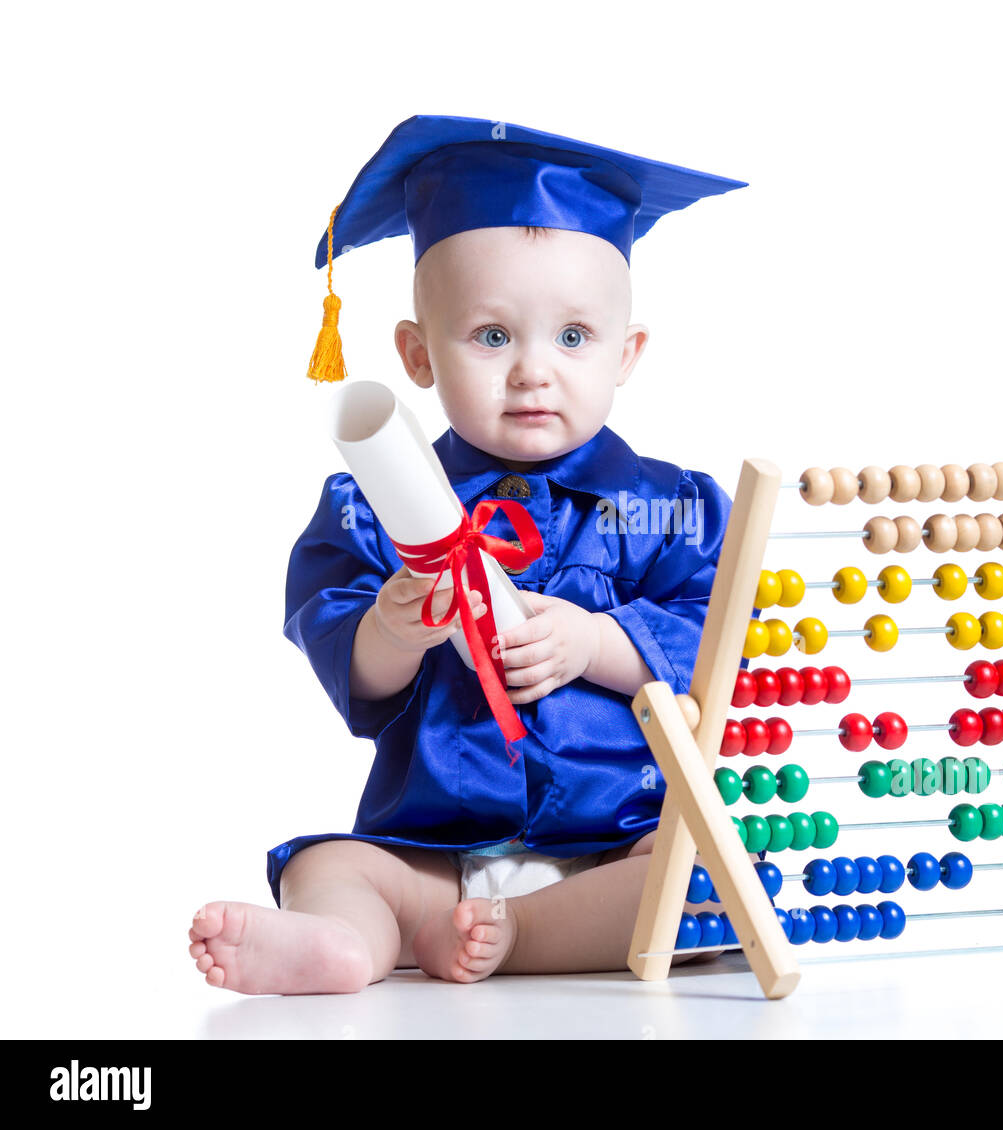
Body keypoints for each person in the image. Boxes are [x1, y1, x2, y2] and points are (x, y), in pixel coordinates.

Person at [188, 116, 747, 993]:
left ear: (626, 354)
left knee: (714, 881)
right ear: (417, 353)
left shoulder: (668, 509)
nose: (532, 370)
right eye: (492, 336)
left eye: (573, 338)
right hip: (435, 848)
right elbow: (350, 668)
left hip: (615, 840)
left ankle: (516, 934)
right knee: (327, 864)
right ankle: (350, 943)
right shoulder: (375, 510)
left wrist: (597, 644)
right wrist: (392, 627)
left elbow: (721, 644)